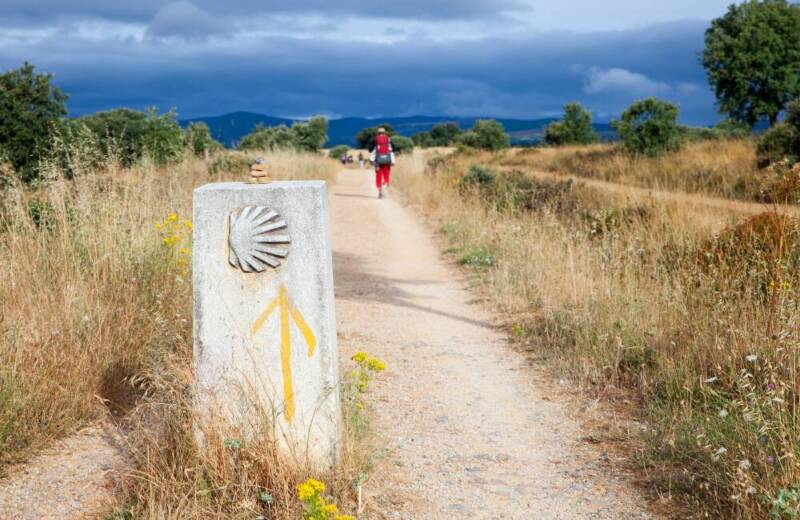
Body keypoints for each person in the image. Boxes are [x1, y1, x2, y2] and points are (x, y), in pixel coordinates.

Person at [369, 127, 395, 199]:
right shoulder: (389, 139)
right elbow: (393, 149)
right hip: (387, 161)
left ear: (378, 133)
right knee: (386, 174)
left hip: (378, 161)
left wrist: (372, 160)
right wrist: (392, 160)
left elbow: (370, 149)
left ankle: (380, 192)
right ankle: (385, 184)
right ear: (384, 133)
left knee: (379, 176)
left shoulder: (375, 139)